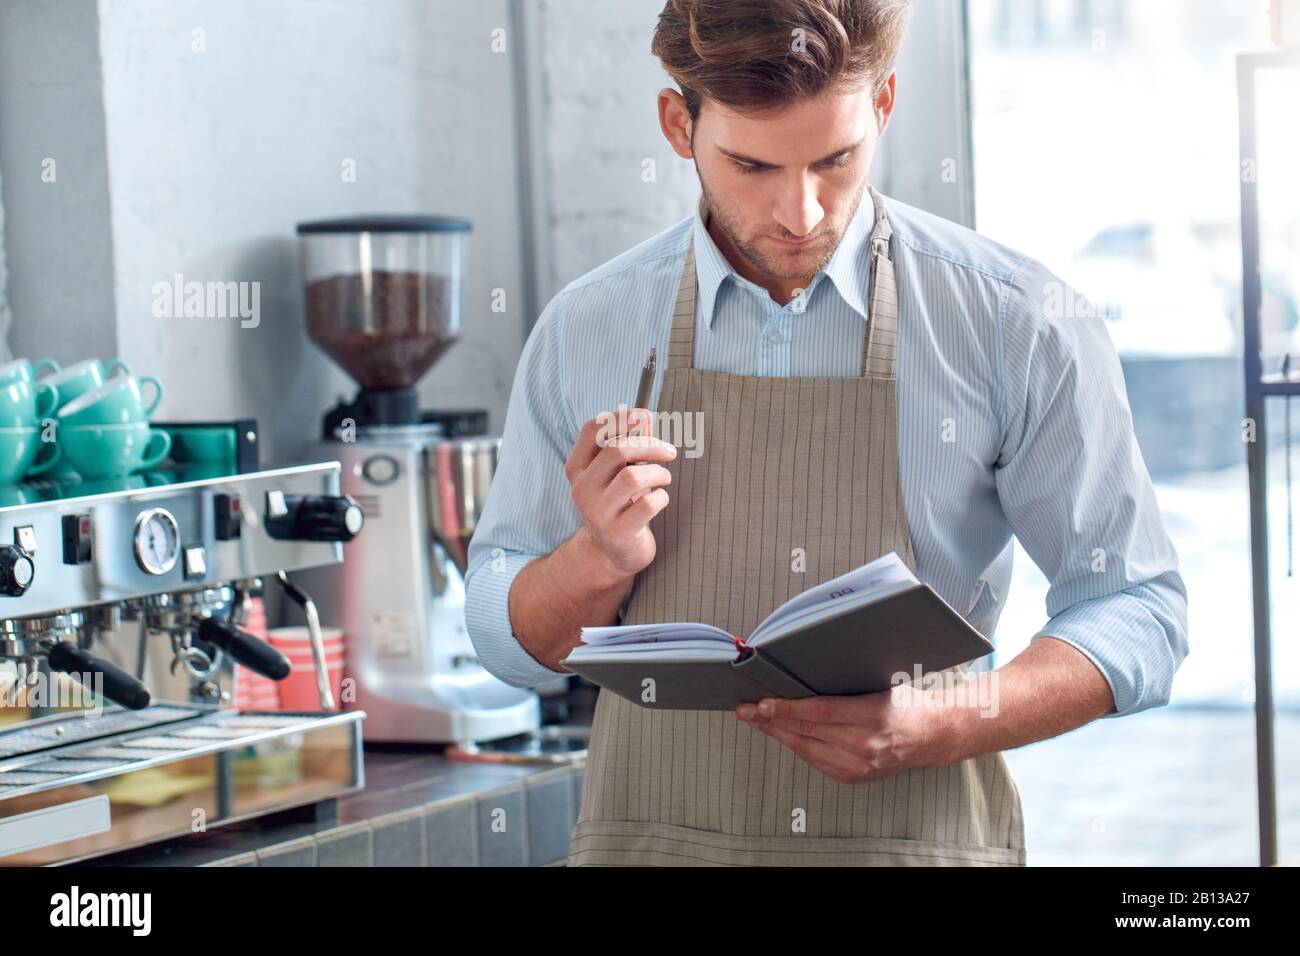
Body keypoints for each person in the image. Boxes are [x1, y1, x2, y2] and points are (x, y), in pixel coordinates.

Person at [464, 0, 1188, 866]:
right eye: (751, 164)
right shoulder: (589, 327)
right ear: (676, 123)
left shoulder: (1015, 323)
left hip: (918, 847)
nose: (800, 212)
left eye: (835, 159)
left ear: (882, 105)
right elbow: (513, 646)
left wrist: (953, 720)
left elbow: (1138, 610)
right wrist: (593, 560)